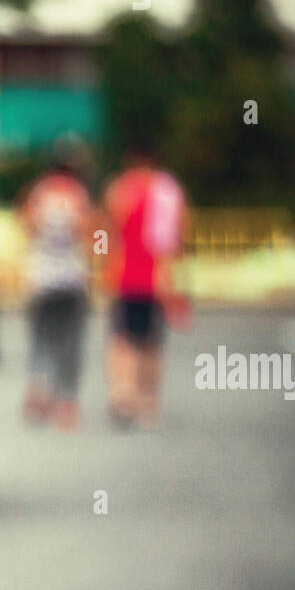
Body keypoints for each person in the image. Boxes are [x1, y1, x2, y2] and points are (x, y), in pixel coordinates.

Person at [101, 144, 188, 428]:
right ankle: (148, 401)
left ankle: (123, 395)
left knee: (122, 337)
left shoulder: (120, 189)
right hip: (157, 275)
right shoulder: (168, 191)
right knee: (151, 340)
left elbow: (107, 231)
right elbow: (176, 237)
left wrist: (104, 265)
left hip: (124, 273)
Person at [18, 136, 95, 431]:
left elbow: (28, 227)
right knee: (70, 343)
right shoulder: (78, 195)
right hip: (72, 278)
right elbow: (87, 234)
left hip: (42, 277)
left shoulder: (38, 192)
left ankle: (38, 388)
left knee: (41, 339)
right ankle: (66, 404)